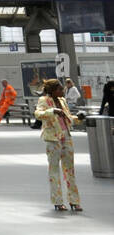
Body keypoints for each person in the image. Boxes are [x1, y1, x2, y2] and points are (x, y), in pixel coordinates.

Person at [35, 79, 82, 211]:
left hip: (66, 137)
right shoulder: (44, 100)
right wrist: (52, 111)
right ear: (53, 91)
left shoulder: (62, 101)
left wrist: (79, 118)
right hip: (53, 139)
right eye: (60, 89)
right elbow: (38, 114)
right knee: (54, 169)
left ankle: (74, 201)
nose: (62, 91)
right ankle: (57, 201)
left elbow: (67, 117)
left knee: (70, 169)